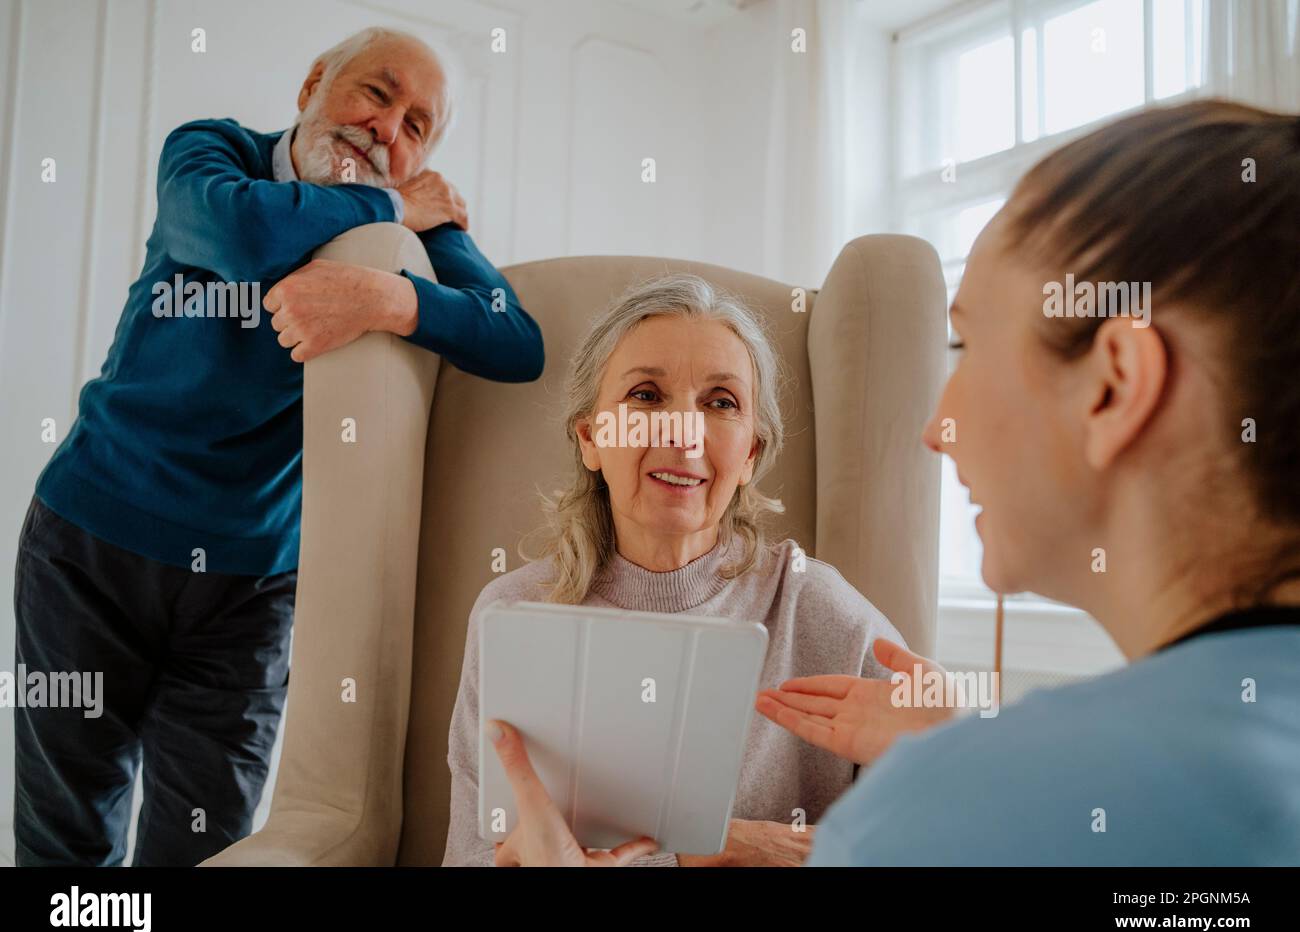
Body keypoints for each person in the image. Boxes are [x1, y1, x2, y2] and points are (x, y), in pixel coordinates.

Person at [484, 99, 1300, 866]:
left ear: (1115, 385)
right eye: (647, 395)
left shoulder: (961, 790)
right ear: (589, 439)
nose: (935, 428)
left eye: (969, 349)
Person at [14, 26, 544, 867]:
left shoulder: (407, 227)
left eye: (417, 127)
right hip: (88, 549)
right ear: (312, 85)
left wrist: (392, 296)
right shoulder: (214, 153)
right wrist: (397, 206)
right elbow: (237, 237)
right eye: (377, 93)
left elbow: (517, 340)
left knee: (206, 844)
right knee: (66, 838)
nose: (387, 130)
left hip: (247, 589)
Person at [441, 273, 908, 866]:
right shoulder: (511, 614)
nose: (684, 432)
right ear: (590, 439)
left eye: (720, 403)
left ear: (750, 457)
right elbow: (470, 857)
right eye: (645, 396)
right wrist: (704, 853)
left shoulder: (816, 607)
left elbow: (928, 835)